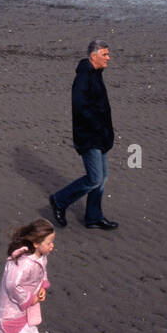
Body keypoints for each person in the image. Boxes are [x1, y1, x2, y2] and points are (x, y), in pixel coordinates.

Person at [49, 39, 117, 230]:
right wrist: (96, 126)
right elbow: (80, 107)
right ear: (93, 56)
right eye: (105, 54)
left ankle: (94, 217)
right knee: (94, 178)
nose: (108, 58)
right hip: (89, 136)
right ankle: (59, 200)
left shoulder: (96, 73)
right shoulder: (84, 77)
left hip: (101, 135)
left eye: (108, 54)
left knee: (102, 179)